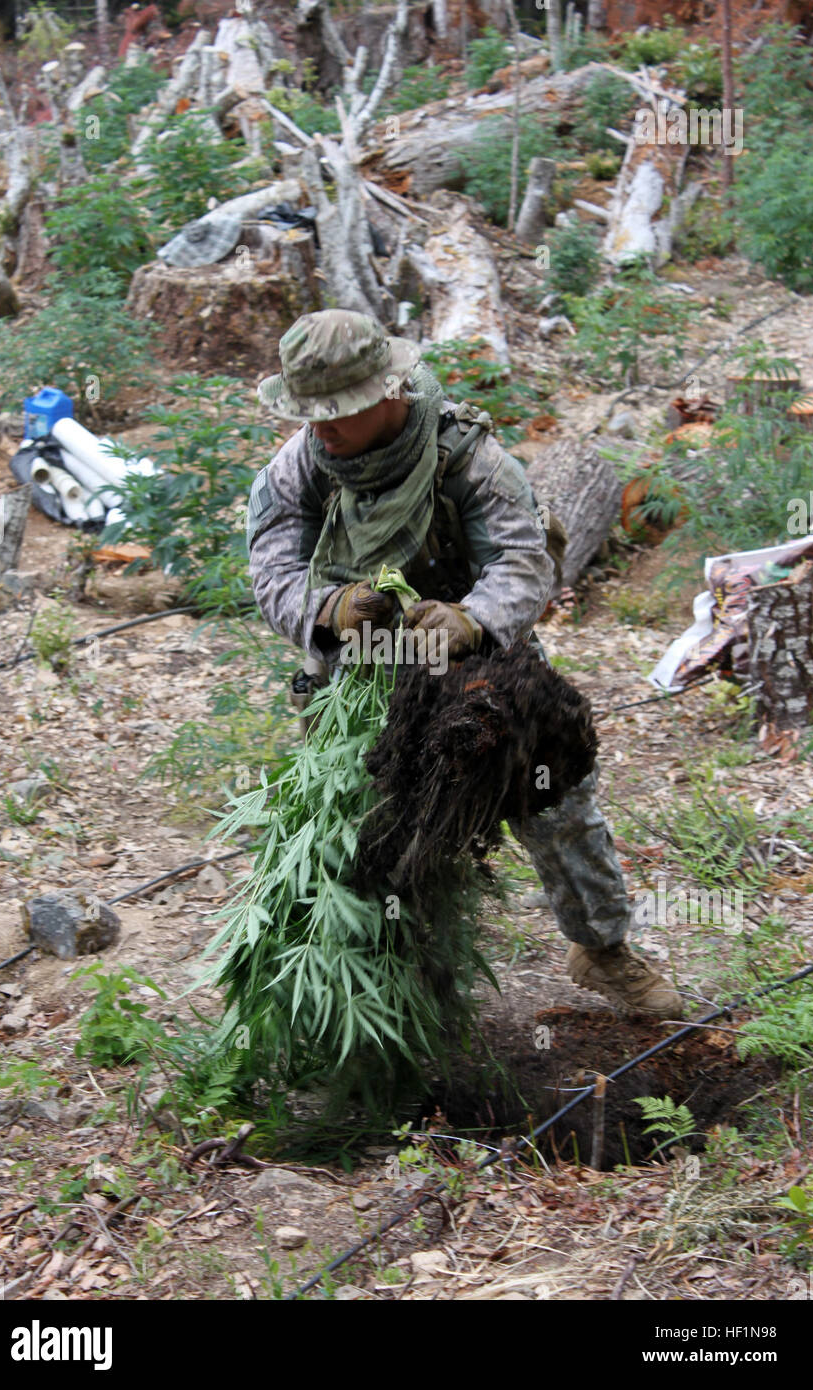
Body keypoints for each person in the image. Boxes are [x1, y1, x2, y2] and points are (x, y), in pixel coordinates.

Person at [248, 308, 684, 1019]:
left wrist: (471, 618)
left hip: (486, 667)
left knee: (559, 803)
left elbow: (524, 559)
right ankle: (401, 988)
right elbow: (271, 572)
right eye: (309, 412)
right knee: (379, 840)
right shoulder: (299, 469)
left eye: (339, 411)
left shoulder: (467, 458)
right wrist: (328, 610)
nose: (321, 427)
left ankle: (603, 949)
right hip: (366, 682)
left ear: (388, 394)